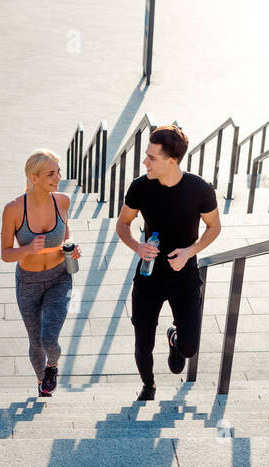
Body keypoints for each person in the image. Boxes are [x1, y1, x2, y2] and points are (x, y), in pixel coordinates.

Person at [114, 124, 222, 402]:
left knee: (189, 347)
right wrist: (138, 247)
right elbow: (123, 224)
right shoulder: (140, 187)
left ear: (171, 161)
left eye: (152, 157)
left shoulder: (199, 189)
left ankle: (174, 339)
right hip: (149, 276)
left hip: (184, 275)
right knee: (143, 342)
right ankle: (148, 386)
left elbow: (214, 227)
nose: (144, 162)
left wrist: (190, 251)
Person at [0, 149, 83, 397]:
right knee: (35, 341)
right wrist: (27, 248)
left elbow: (66, 234)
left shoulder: (63, 201)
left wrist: (72, 247)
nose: (57, 177)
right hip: (28, 282)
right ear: (33, 177)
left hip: (60, 277)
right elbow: (5, 254)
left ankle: (52, 366)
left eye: (58, 171)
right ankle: (41, 382)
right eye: (51, 173)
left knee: (49, 339)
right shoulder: (13, 210)